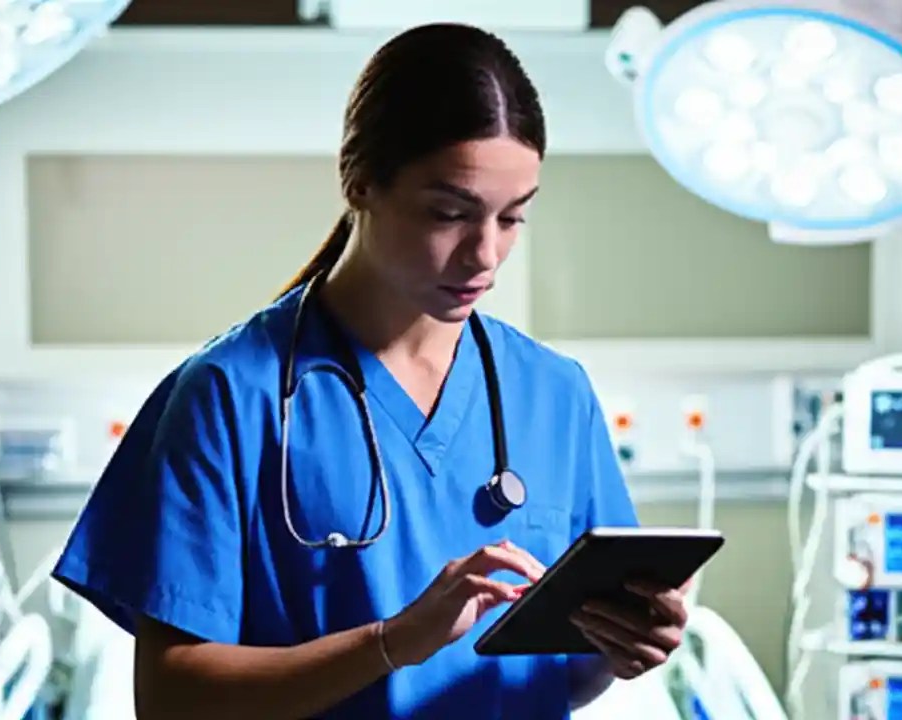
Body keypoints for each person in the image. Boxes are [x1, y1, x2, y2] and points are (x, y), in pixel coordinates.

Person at [51, 22, 688, 720]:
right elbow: (172, 699)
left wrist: (621, 646)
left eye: (512, 219)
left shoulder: (554, 395)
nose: (485, 255)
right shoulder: (232, 396)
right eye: (449, 213)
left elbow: (557, 680)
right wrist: (392, 642)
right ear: (360, 181)